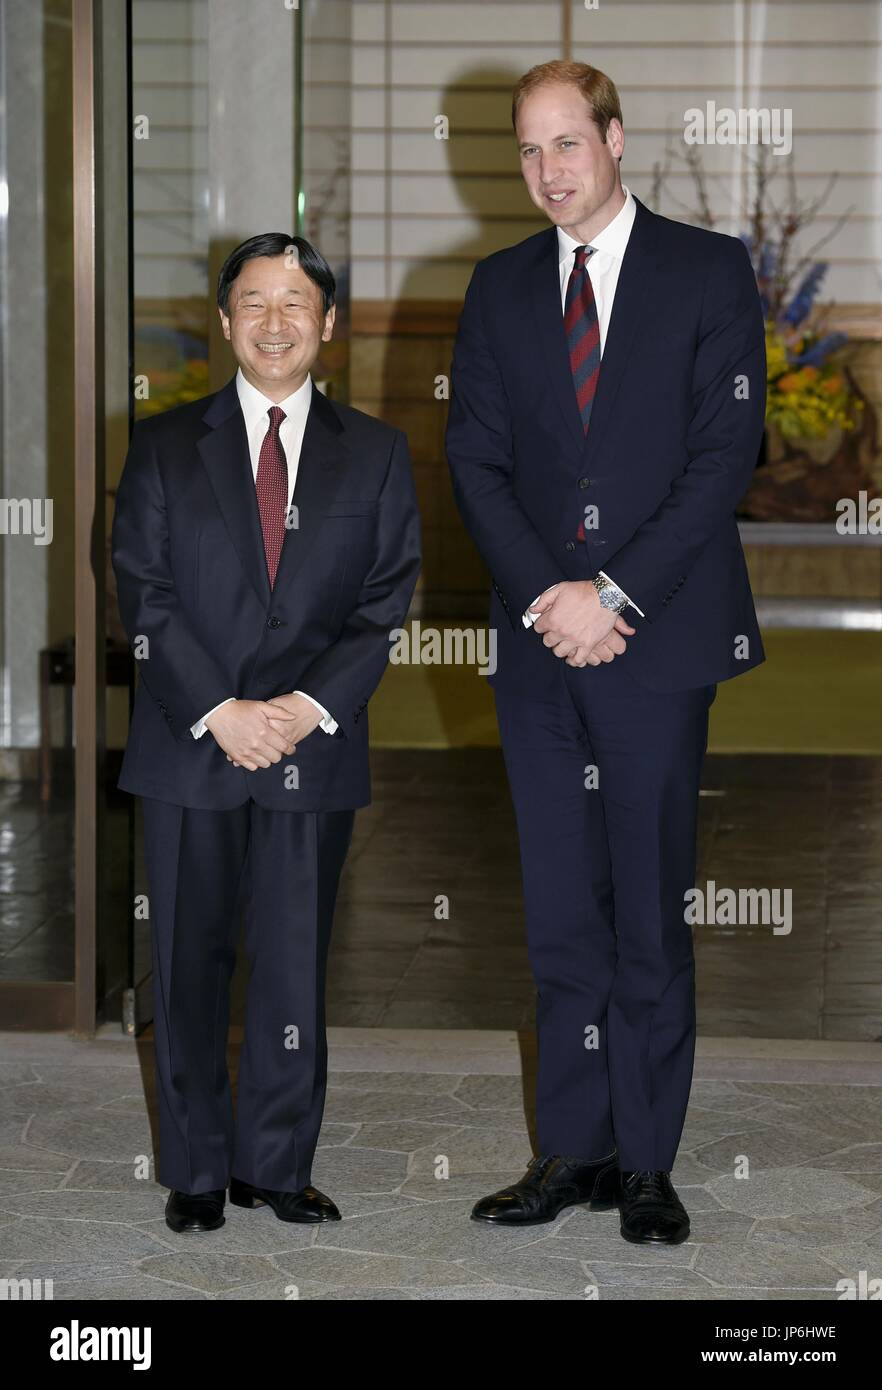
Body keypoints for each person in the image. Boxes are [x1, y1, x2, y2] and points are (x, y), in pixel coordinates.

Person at [445, 61, 765, 1243]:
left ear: (616, 141)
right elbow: (473, 461)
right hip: (539, 649)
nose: (547, 172)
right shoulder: (497, 286)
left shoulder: (707, 269)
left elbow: (723, 454)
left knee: (646, 911)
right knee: (557, 911)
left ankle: (645, 1157)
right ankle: (570, 1148)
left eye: (567, 145)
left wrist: (613, 592)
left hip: (657, 635)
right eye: (528, 152)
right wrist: (548, 597)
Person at [112, 233, 421, 1233]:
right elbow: (144, 594)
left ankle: (277, 1164)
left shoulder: (371, 451)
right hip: (188, 741)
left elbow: (384, 600)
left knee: (293, 963)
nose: (275, 321)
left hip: (311, 747)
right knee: (189, 962)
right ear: (224, 320)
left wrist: (300, 710)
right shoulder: (162, 445)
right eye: (254, 302)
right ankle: (198, 1168)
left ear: (327, 325)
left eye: (296, 303)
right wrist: (220, 710)